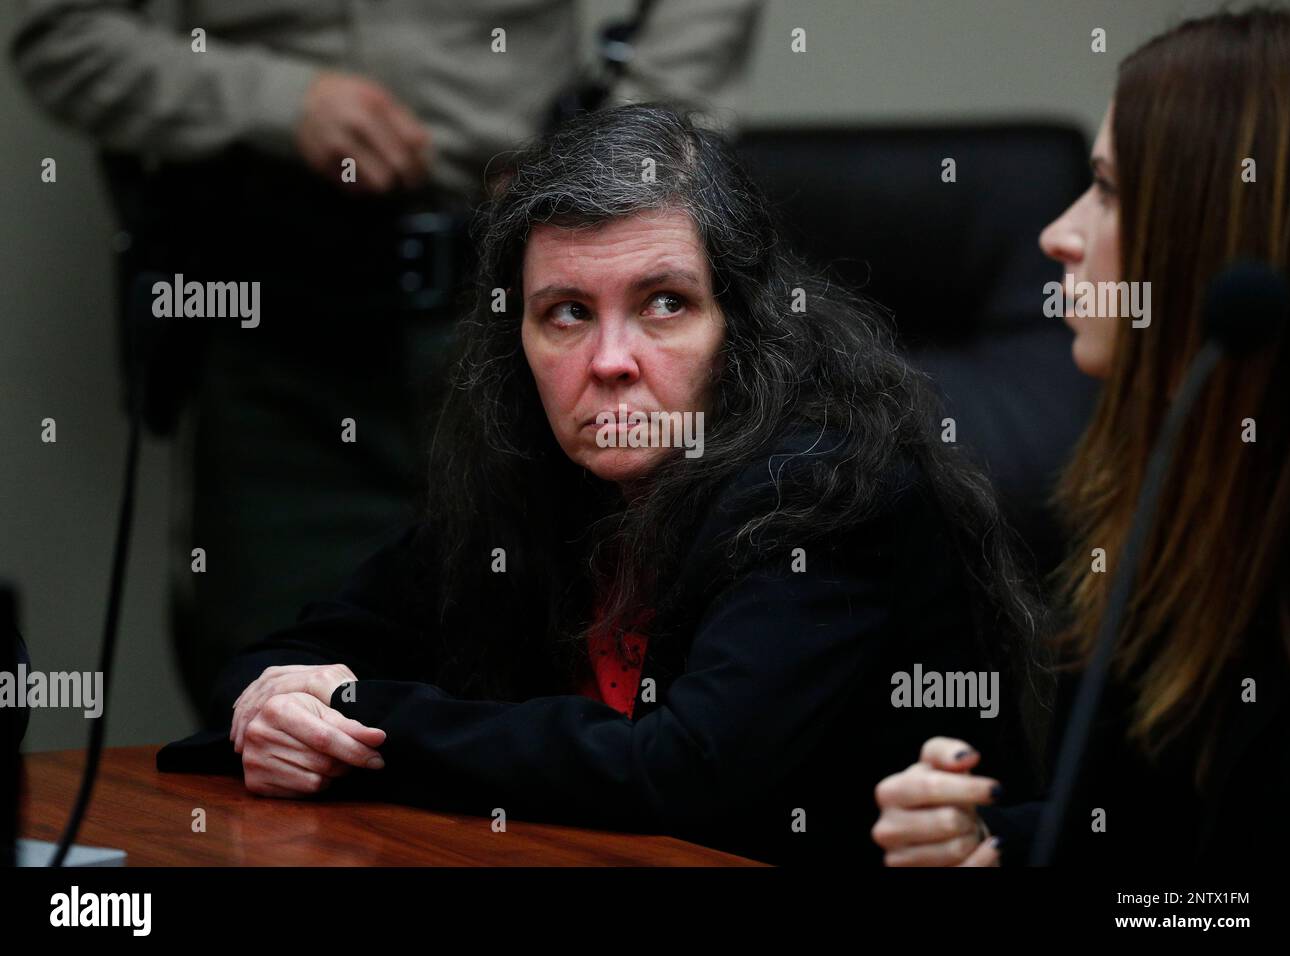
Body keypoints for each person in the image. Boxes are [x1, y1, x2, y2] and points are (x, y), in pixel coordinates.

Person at [159, 104, 1052, 866]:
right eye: (567, 314)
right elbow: (281, 656)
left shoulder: (824, 488)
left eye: (664, 303)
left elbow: (687, 773)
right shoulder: (532, 480)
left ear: (741, 329)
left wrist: (354, 720)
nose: (611, 362)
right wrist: (271, 710)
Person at [10, 0, 762, 718]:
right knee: (265, 685)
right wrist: (274, 99)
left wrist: (605, 163)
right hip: (281, 327)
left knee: (563, 680)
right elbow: (65, 35)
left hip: (506, 304)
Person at [871, 7, 1290, 867]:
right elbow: (1144, 838)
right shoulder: (1163, 488)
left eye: (1106, 192)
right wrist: (984, 842)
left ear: (1214, 233)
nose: (1057, 234)